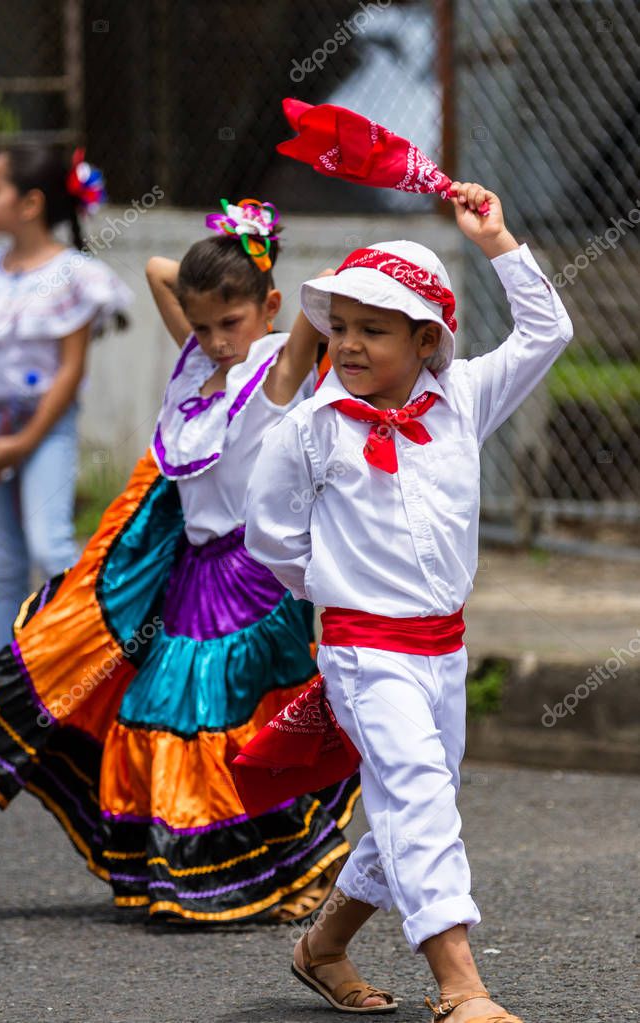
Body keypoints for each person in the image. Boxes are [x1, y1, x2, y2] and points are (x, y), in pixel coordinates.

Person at [0, 198, 359, 924]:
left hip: (251, 578)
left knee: (211, 721)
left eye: (229, 322)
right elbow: (156, 268)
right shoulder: (201, 365)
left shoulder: (273, 370)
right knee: (160, 713)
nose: (212, 338)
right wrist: (229, 270)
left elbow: (320, 291)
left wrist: (261, 268)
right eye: (201, 324)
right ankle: (211, 871)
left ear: (269, 306)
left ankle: (279, 871)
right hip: (193, 575)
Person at [245, 181, 573, 1018]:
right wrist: (344, 596)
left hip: (444, 650)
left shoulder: (463, 401)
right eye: (340, 326)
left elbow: (549, 331)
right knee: (419, 795)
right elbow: (272, 539)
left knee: (416, 803)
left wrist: (496, 238)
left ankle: (321, 946)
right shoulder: (310, 429)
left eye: (373, 329)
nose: (347, 344)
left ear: (428, 339)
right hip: (364, 650)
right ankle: (462, 988)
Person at [0, 145, 133, 651]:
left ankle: (80, 662)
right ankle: (1, 681)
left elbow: (71, 369)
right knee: (5, 561)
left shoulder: (75, 277)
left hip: (45, 427)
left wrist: (26, 440)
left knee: (49, 543)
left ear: (31, 203)